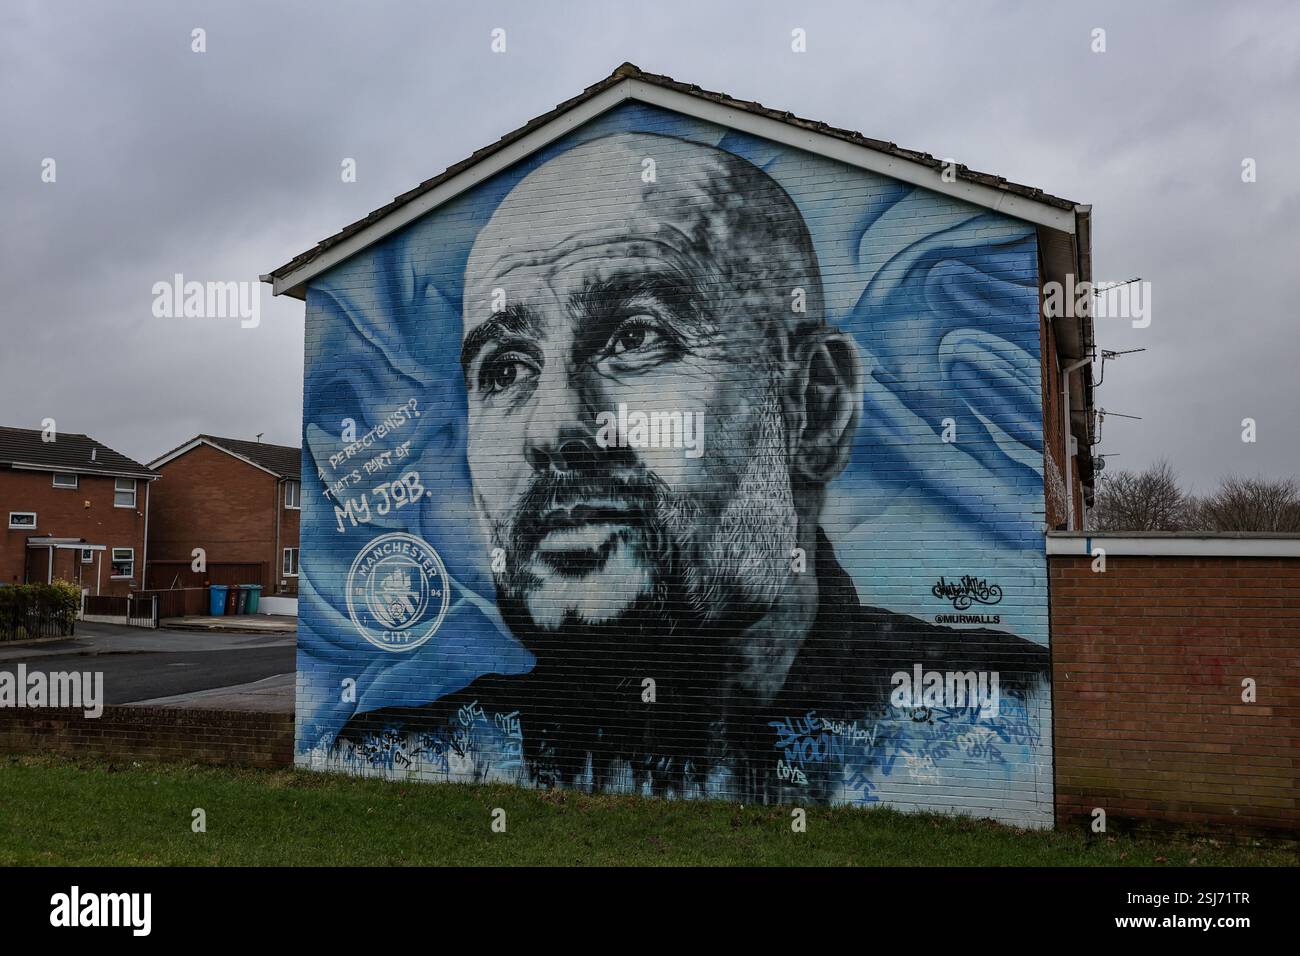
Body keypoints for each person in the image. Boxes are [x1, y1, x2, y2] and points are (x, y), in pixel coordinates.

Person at [338, 132, 1049, 803]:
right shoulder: (410, 756)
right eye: (506, 369)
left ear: (815, 407)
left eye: (636, 336)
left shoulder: (1005, 718)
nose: (551, 428)